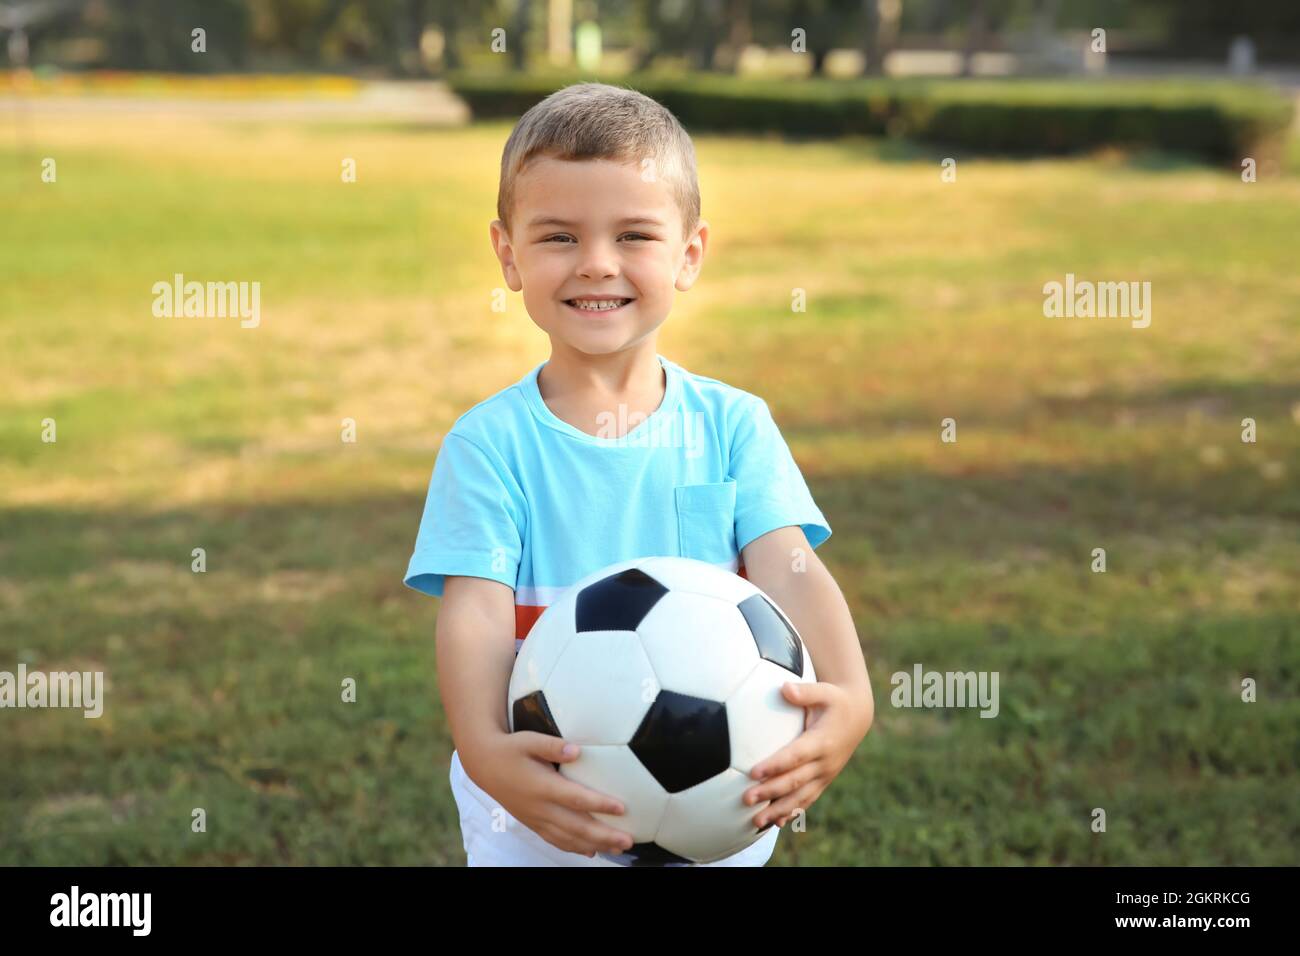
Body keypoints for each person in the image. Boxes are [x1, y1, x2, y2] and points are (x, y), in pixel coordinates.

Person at [405, 82, 874, 866]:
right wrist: (486, 751)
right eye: (558, 237)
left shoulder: (732, 425)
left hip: (719, 801)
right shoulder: (489, 444)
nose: (596, 265)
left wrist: (853, 699)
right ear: (507, 254)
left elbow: (791, 572)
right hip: (541, 810)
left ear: (688, 254)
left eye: (633, 236)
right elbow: (477, 618)